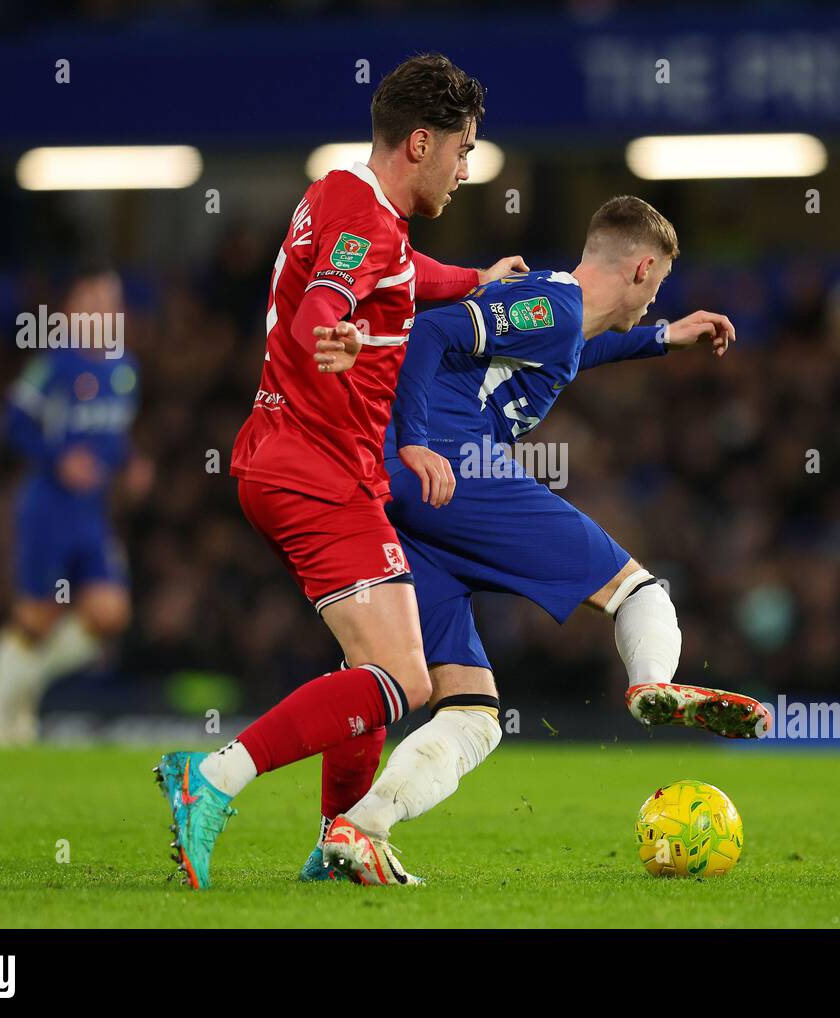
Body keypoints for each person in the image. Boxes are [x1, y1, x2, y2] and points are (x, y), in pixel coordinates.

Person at [310, 196, 767, 886]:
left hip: (414, 507)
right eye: (660, 286)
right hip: (454, 470)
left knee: (472, 713)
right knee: (637, 591)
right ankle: (651, 686)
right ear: (643, 267)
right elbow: (431, 333)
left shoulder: (556, 313)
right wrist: (416, 446)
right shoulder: (550, 309)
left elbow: (574, 349)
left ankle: (358, 829)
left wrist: (662, 336)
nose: (655, 299)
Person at [153, 53, 527, 890]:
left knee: (374, 672)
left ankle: (337, 842)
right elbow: (333, 290)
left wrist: (476, 279)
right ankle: (211, 778)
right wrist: (332, 332)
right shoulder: (364, 216)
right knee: (403, 677)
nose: (467, 170)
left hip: (303, 463)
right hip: (316, 469)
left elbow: (397, 273)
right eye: (463, 151)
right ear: (421, 143)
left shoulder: (350, 198)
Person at [0, 267, 150, 745]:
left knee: (109, 612)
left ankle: (20, 690)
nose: (104, 310)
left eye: (111, 300)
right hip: (47, 507)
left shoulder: (125, 369)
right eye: (93, 299)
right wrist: (58, 459)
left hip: (90, 514)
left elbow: (112, 437)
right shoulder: (54, 364)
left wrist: (130, 463)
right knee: (36, 617)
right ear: (73, 310)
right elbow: (13, 423)